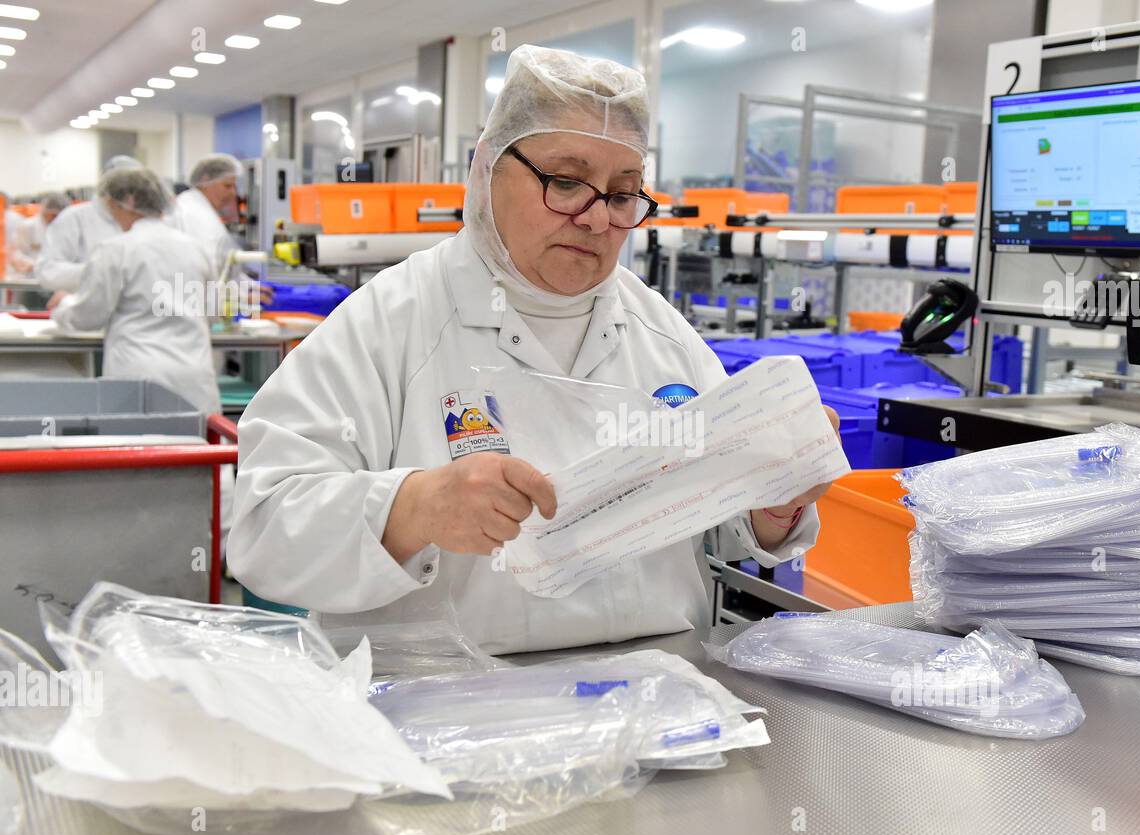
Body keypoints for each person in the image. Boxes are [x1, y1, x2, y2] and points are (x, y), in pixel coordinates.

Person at [229, 45, 839, 655]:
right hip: (440, 710)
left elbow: (727, 534)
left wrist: (774, 504)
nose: (598, 220)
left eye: (623, 195)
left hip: (658, 696)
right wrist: (412, 507)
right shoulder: (392, 321)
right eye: (567, 182)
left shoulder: (664, 335)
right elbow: (263, 529)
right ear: (488, 168)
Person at [50, 166, 220, 417]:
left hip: (139, 377)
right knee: (193, 452)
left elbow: (87, 317)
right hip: (195, 378)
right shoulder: (196, 249)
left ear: (126, 202)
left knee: (142, 452)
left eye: (110, 202)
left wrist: (64, 304)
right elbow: (212, 314)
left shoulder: (116, 249)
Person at [35, 156, 142, 295]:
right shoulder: (74, 218)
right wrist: (96, 272)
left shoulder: (144, 220)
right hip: (86, 307)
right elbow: (47, 271)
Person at [172, 153, 241, 275]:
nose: (233, 193)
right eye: (228, 186)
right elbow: (210, 266)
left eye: (234, 187)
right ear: (206, 181)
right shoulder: (197, 213)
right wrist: (240, 291)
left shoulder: (192, 204)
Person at [6, 193, 69, 278]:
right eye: (53, 215)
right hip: (29, 278)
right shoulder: (28, 226)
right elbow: (15, 253)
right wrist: (34, 265)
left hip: (57, 277)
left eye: (59, 216)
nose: (56, 218)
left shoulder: (66, 227)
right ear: (45, 211)